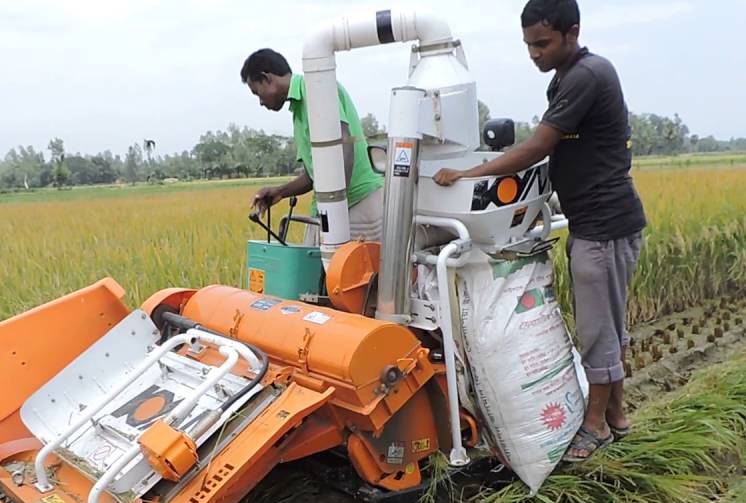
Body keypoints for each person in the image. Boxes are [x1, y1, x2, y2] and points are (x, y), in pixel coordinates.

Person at [433, 0, 646, 462]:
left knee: (596, 330)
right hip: (597, 223)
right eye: (528, 44)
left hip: (605, 226)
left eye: (542, 43)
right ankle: (619, 416)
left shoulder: (588, 75)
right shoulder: (565, 80)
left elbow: (539, 146)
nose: (534, 53)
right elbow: (563, 159)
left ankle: (594, 428)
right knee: (607, 324)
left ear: (572, 33)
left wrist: (470, 175)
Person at [241, 48, 385, 259]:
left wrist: (335, 207)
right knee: (317, 280)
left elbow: (344, 145)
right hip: (331, 207)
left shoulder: (317, 88)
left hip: (356, 204)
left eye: (257, 93)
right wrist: (279, 192)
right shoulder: (299, 110)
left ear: (267, 78)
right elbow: (314, 175)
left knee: (359, 282)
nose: (260, 102)